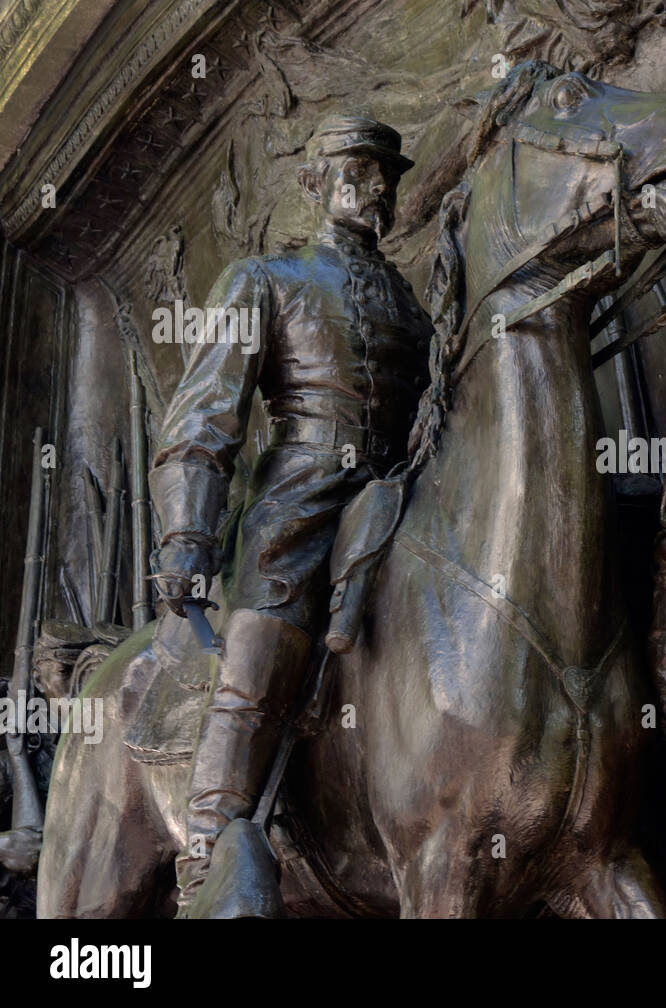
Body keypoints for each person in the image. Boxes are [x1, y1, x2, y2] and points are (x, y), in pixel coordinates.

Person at [148, 115, 433, 914]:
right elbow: (202, 420)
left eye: (388, 171)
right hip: (301, 497)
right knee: (259, 660)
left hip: (401, 495)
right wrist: (186, 538)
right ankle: (209, 849)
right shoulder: (264, 277)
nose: (378, 184)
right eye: (359, 166)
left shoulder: (414, 308)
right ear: (315, 181)